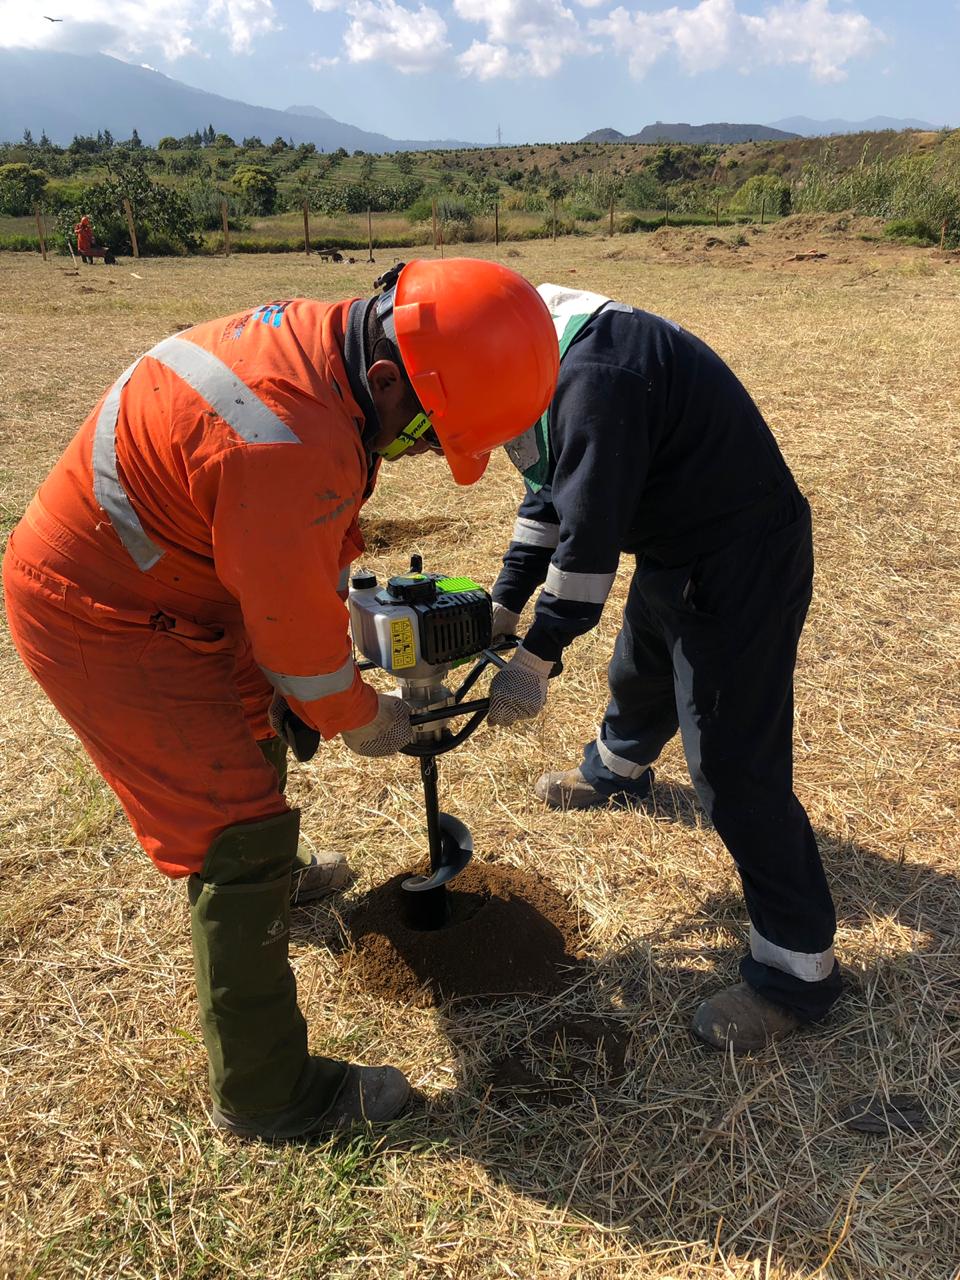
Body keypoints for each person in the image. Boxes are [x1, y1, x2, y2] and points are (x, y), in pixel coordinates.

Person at [3, 260, 559, 1141]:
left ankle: (276, 888)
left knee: (256, 730)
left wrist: (315, 682)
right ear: (386, 375)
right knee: (234, 826)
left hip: (190, 587)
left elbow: (301, 562)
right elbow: (296, 639)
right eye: (423, 433)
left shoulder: (322, 352)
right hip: (107, 616)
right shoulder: (281, 437)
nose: (418, 453)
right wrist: (359, 715)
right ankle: (269, 1095)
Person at [485, 284, 842, 1053]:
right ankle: (617, 769)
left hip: (742, 552)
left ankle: (796, 972)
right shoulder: (533, 352)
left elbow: (585, 548)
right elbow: (549, 489)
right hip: (681, 538)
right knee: (642, 666)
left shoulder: (599, 379)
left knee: (733, 763)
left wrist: (535, 657)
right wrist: (503, 605)